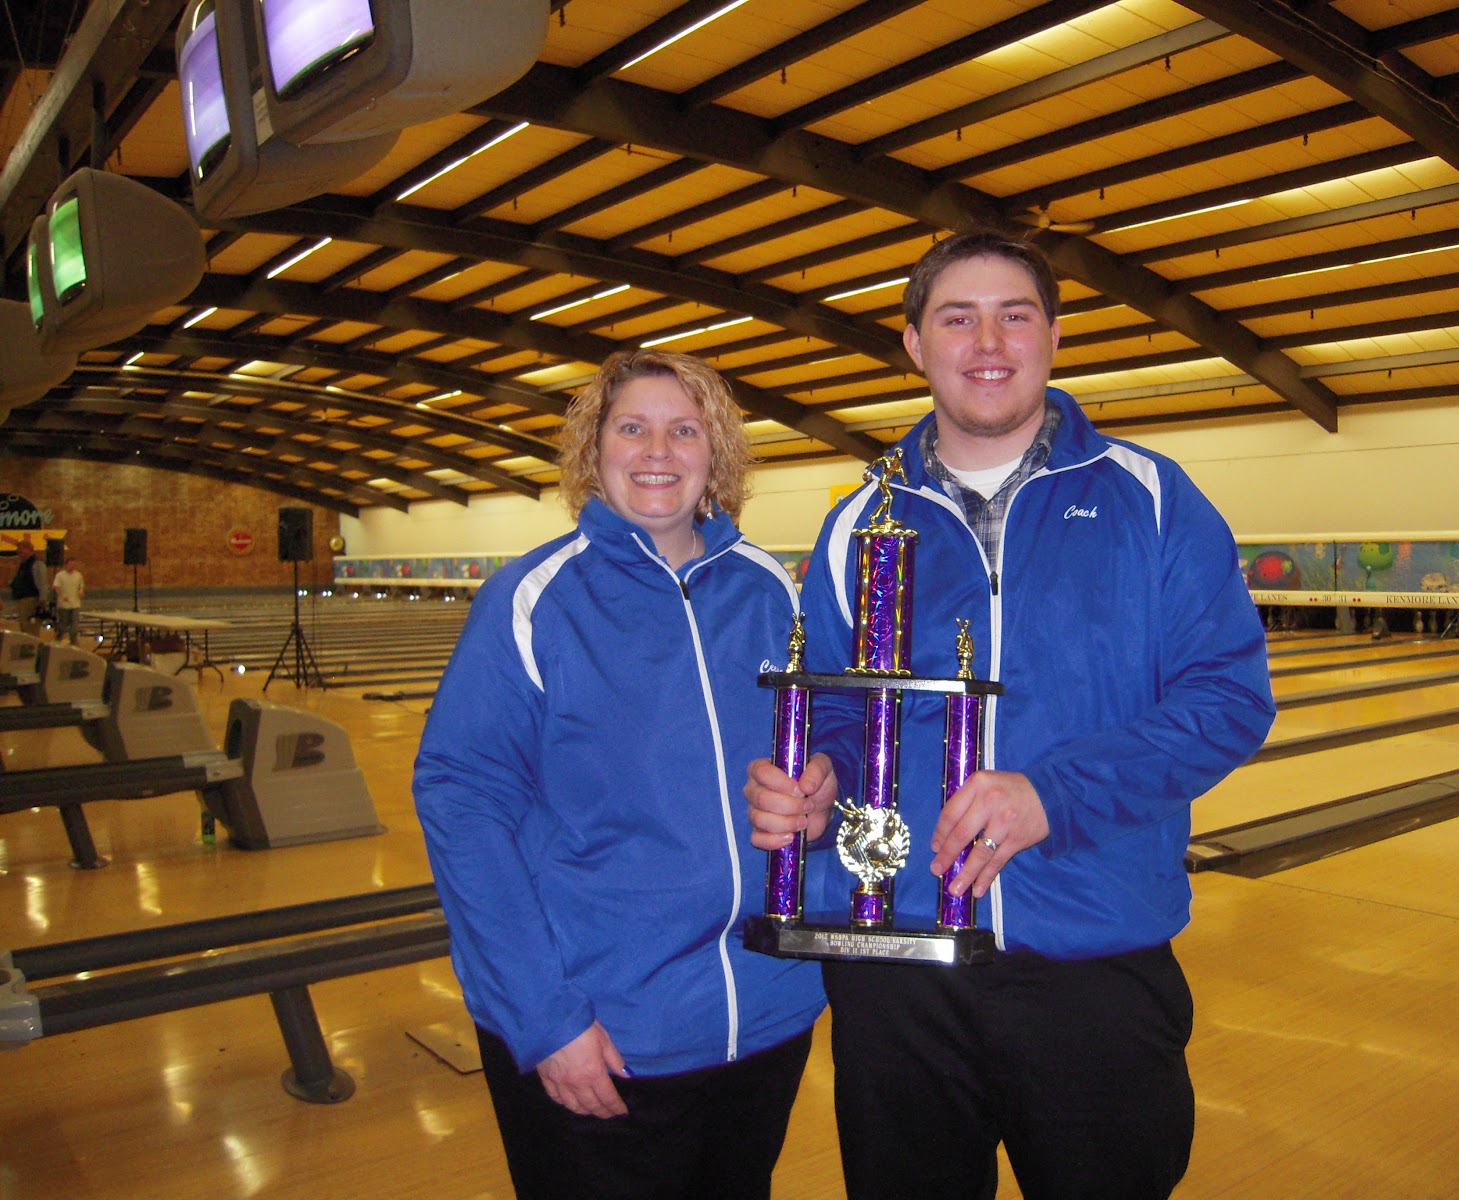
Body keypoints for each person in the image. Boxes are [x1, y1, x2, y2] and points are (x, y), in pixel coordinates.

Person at [746, 231, 1276, 1199]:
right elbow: (832, 711)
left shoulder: (1151, 500)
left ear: (1054, 337)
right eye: (957, 317)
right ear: (914, 344)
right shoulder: (856, 522)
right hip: (896, 974)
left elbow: (1230, 697)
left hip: (1093, 969)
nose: (987, 341)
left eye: (1014, 315)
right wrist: (819, 783)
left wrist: (1053, 798)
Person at [413, 348, 835, 1200]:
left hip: (765, 1019)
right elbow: (464, 810)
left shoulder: (770, 591)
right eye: (632, 427)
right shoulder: (533, 600)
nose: (658, 450)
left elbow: (827, 747)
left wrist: (826, 782)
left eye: (685, 430)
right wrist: (543, 1020)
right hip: (601, 1032)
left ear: (715, 452)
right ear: (593, 450)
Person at [8, 543, 50, 638]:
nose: (18, 552)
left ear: (28, 549)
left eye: (20, 549)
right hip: (22, 599)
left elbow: (43, 583)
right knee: (24, 628)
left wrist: (42, 600)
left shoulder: (37, 564)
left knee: (31, 630)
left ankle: (32, 649)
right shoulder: (24, 564)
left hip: (31, 600)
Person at [51, 557, 86, 643]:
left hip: (75, 603)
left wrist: (81, 591)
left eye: (73, 564)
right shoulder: (60, 575)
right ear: (66, 565)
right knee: (63, 623)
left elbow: (81, 586)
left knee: (74, 623)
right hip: (63, 604)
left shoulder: (78, 575)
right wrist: (62, 596)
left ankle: (73, 639)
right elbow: (56, 587)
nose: (72, 566)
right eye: (70, 564)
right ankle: (59, 636)